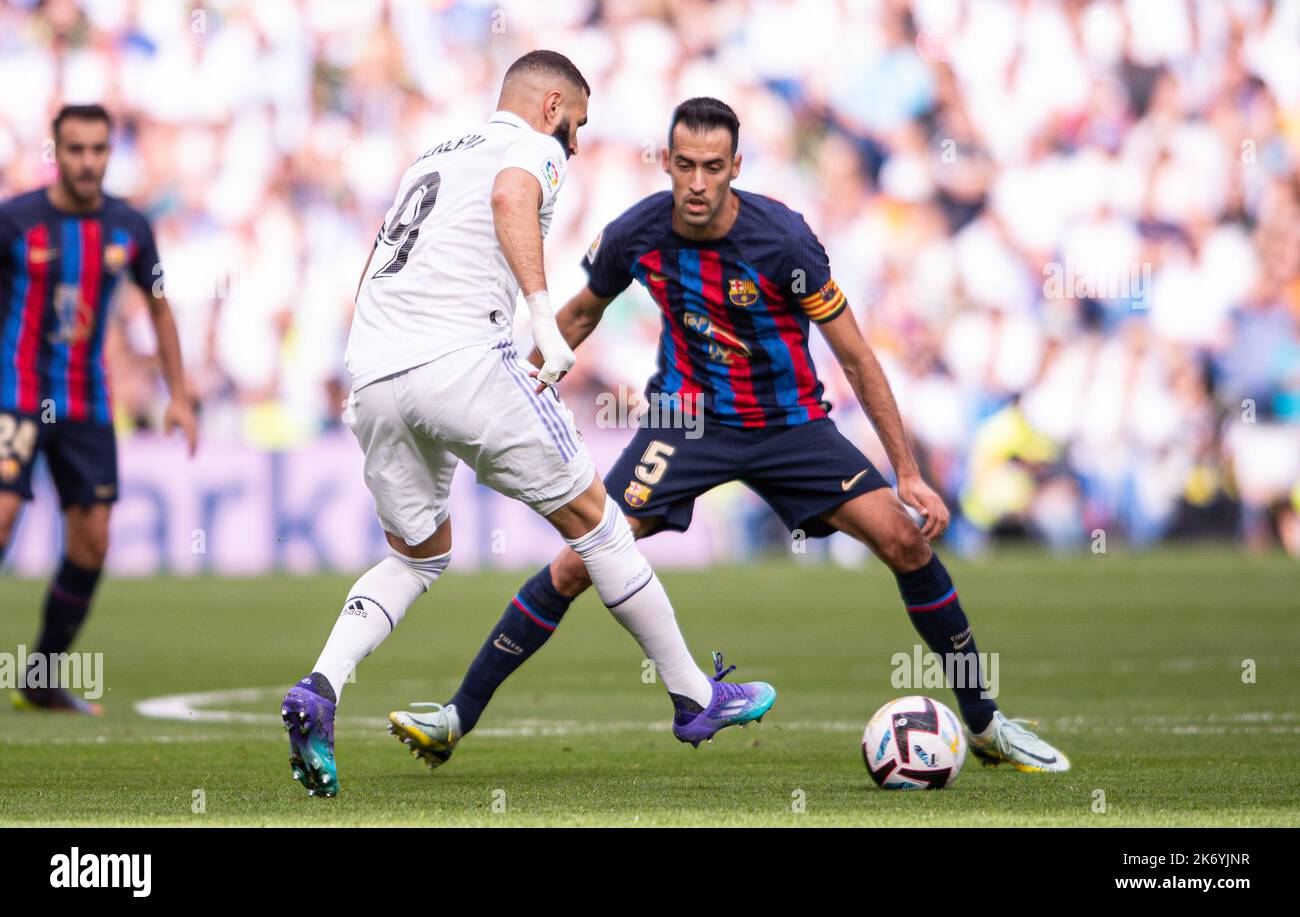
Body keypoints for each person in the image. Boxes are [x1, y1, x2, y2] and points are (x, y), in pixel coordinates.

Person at [419, 97, 1070, 774]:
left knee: (905, 539)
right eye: (684, 166)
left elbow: (856, 356)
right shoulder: (635, 234)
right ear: (667, 163)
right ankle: (455, 716)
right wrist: (515, 390)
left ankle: (987, 722)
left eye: (711, 167)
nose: (696, 182)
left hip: (790, 426)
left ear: (735, 166)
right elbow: (580, 315)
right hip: (687, 423)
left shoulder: (783, 240)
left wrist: (906, 471)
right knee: (579, 559)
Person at [280, 57, 774, 798]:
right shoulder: (532, 150)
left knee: (417, 556)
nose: (574, 145)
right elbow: (515, 194)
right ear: (551, 106)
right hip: (464, 362)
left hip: (375, 370)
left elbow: (376, 263)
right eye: (576, 125)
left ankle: (321, 685)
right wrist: (544, 319)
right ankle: (694, 697)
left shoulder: (433, 157)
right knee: (600, 524)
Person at [0, 104, 198, 715]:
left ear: (110, 154)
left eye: (98, 150)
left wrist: (180, 395)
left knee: (92, 541)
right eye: (76, 150)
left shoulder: (130, 227)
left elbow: (160, 307)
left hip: (86, 404)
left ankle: (40, 675)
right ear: (55, 152)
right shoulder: (15, 222)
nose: (87, 162)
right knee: (2, 514)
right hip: (16, 398)